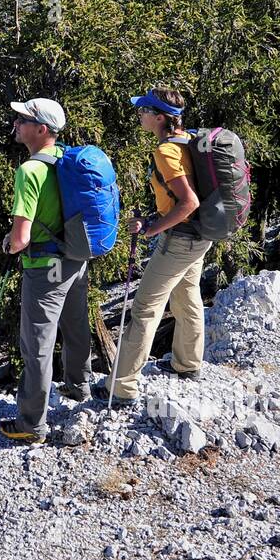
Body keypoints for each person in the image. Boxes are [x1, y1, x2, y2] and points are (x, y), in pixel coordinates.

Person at [95, 86, 212, 406]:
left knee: (145, 308)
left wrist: (150, 228)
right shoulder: (187, 140)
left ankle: (121, 386)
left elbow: (188, 202)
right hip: (201, 235)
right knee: (187, 295)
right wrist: (155, 217)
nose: (140, 115)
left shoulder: (165, 152)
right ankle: (187, 364)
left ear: (159, 117)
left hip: (181, 238)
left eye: (144, 110)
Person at [0, 98, 92, 444]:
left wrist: (8, 243)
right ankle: (79, 387)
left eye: (22, 119)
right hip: (75, 258)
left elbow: (21, 238)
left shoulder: (29, 171)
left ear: (41, 129)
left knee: (37, 343)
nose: (16, 124)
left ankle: (31, 423)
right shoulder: (66, 158)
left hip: (45, 267)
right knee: (76, 325)